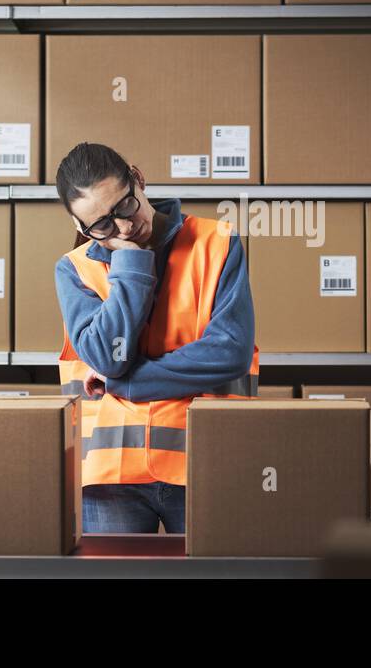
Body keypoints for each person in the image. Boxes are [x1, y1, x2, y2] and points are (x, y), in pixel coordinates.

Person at [53, 142, 258, 534]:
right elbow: (108, 356)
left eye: (126, 206)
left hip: (206, 463)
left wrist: (125, 383)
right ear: (82, 229)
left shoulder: (217, 242)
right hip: (112, 477)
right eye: (103, 226)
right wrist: (130, 261)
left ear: (138, 179)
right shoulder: (73, 270)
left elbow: (230, 351)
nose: (126, 227)